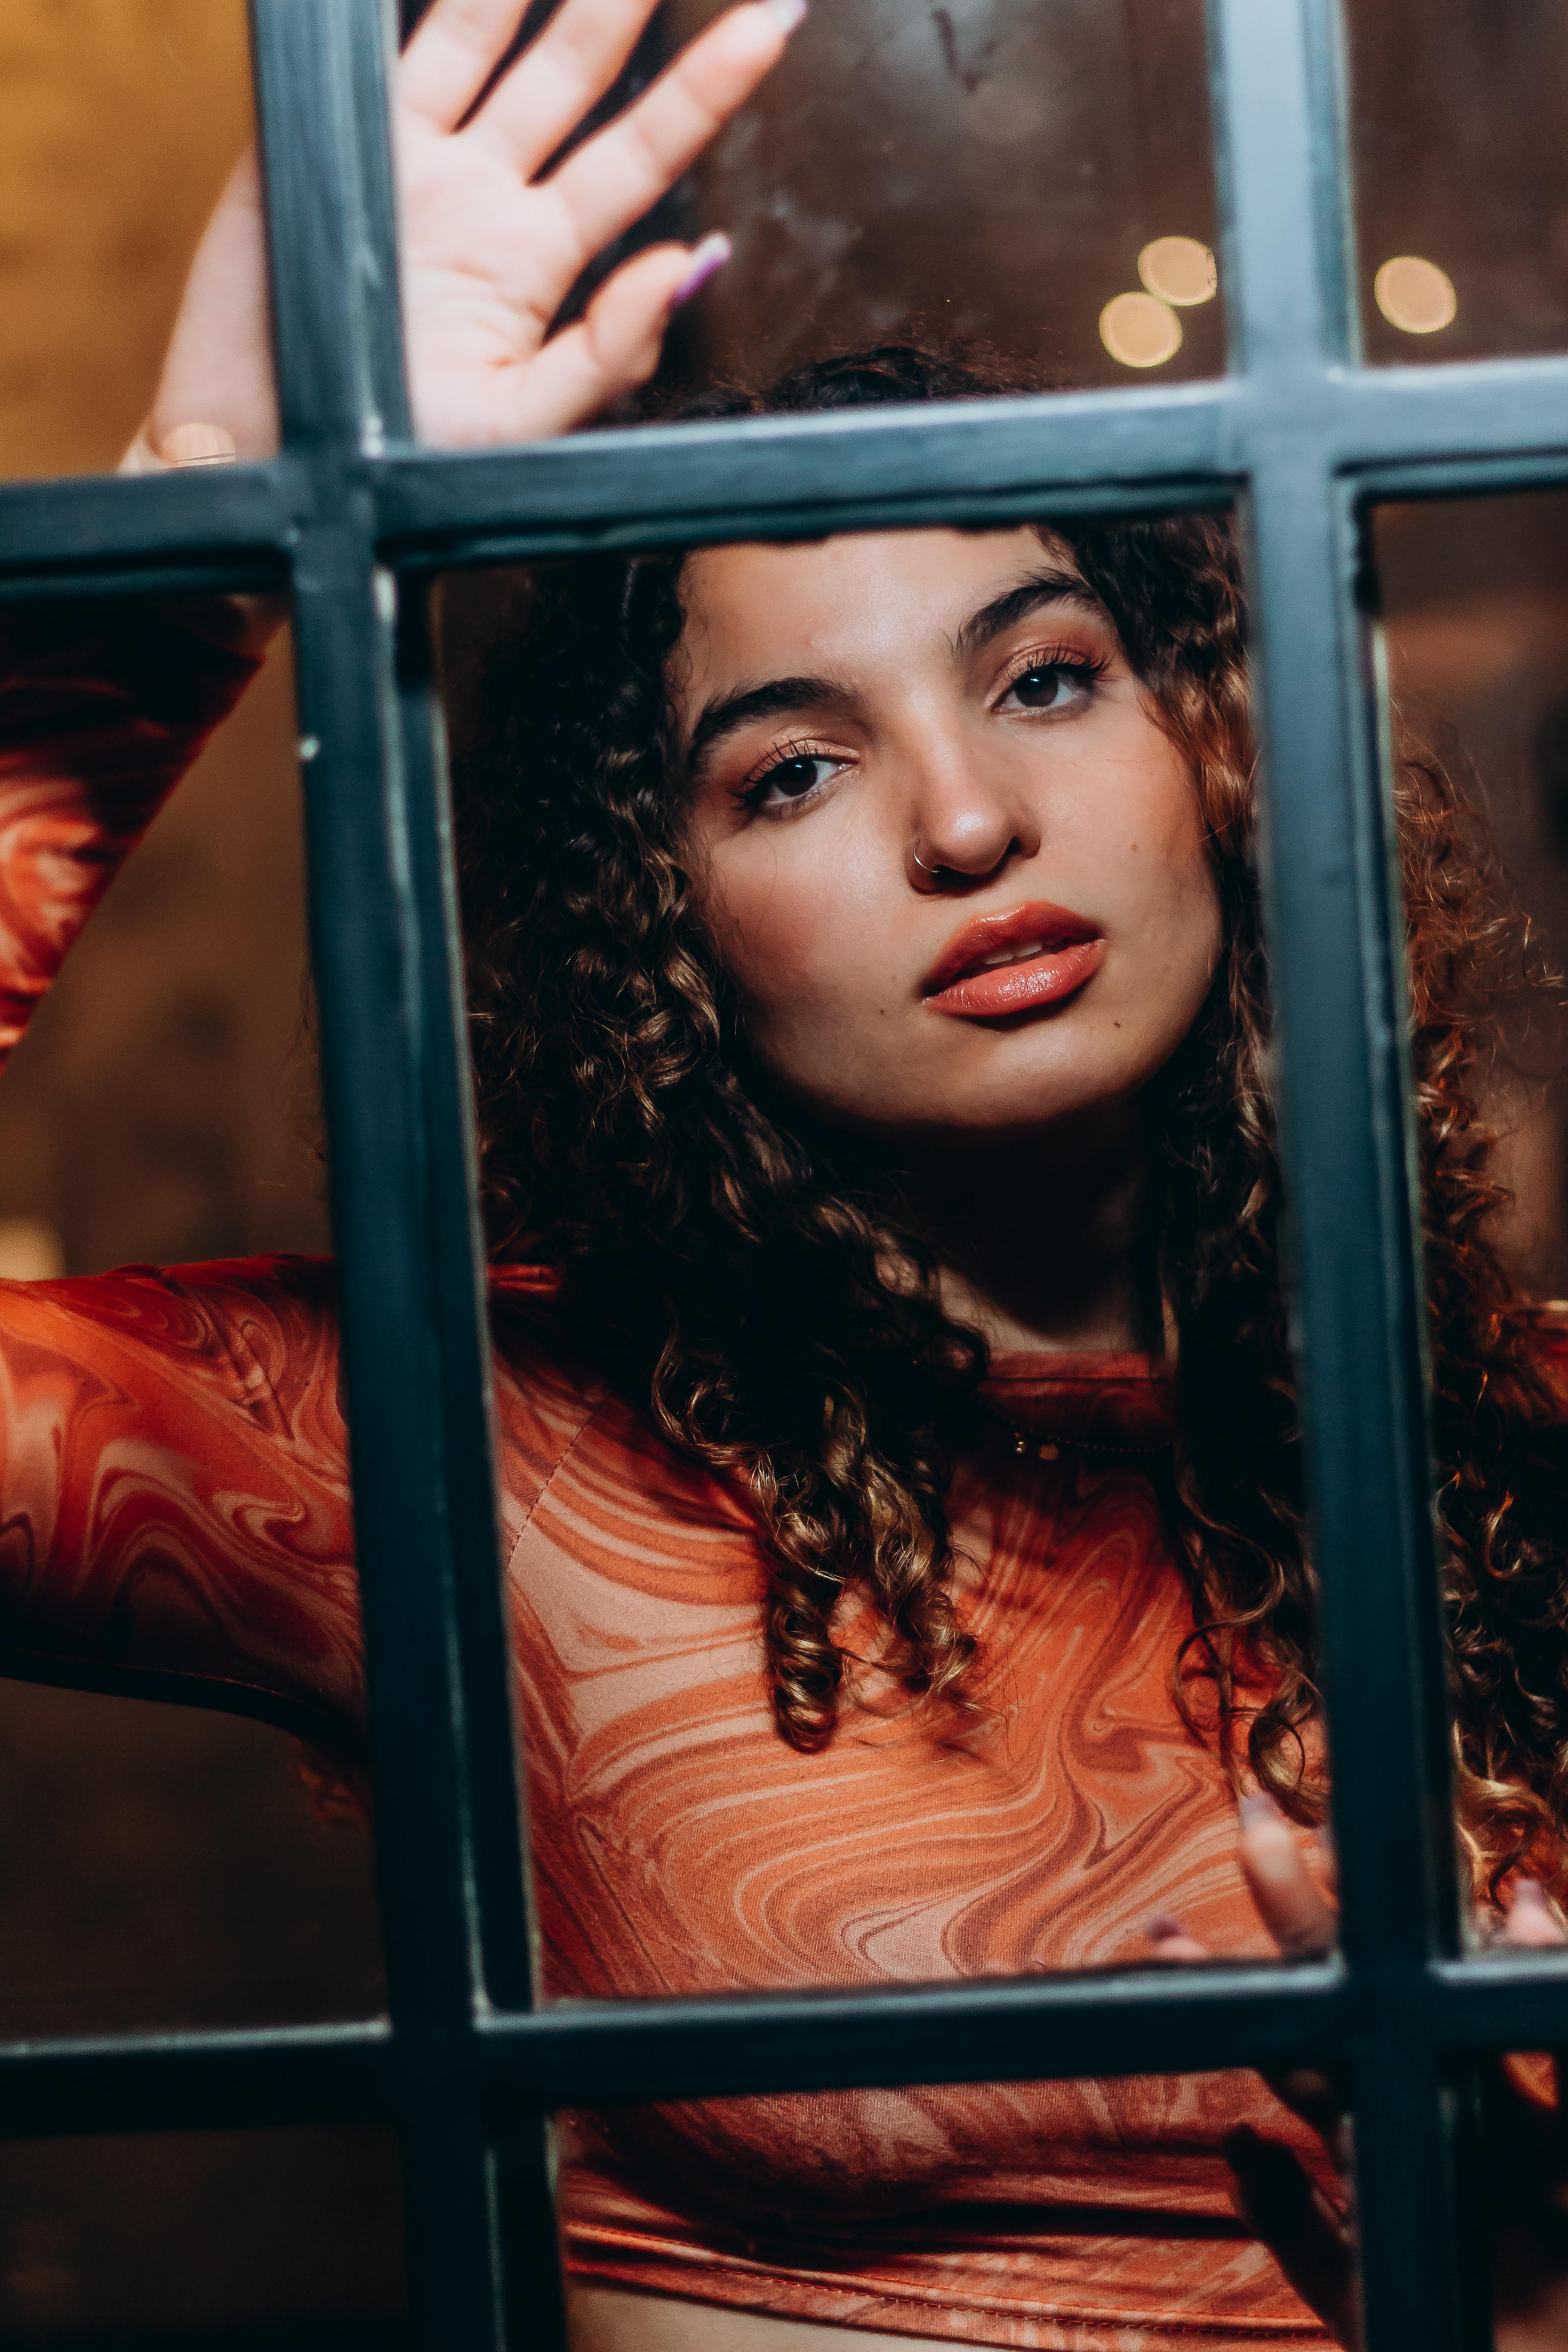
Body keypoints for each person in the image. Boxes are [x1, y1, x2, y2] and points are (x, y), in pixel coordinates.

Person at [3, 1, 1568, 2346]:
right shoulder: (467, 1456)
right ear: (668, 930)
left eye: (1043, 678)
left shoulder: (1524, 1444)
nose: (966, 821)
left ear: (1213, 756)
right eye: (789, 774)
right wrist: (201, 525)